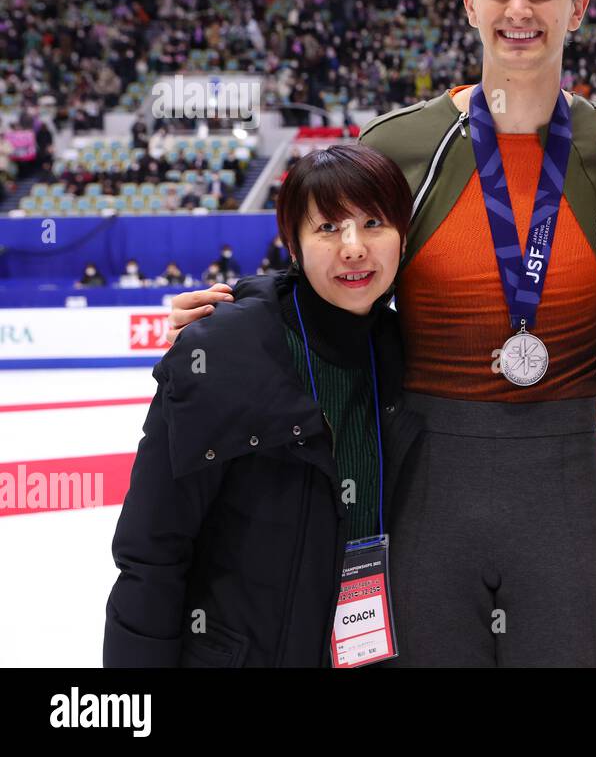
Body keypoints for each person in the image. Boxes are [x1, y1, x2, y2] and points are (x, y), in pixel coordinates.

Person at [165, 0, 596, 667]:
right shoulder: (401, 146)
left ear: (578, 7)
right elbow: (326, 284)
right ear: (466, 2)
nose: (520, 9)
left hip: (567, 493)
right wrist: (225, 330)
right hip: (424, 490)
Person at [104, 144, 415, 666]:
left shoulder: (407, 349)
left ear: (403, 236)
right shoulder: (222, 351)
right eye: (328, 228)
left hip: (371, 650)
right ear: (292, 242)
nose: (355, 247)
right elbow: (152, 554)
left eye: (373, 222)